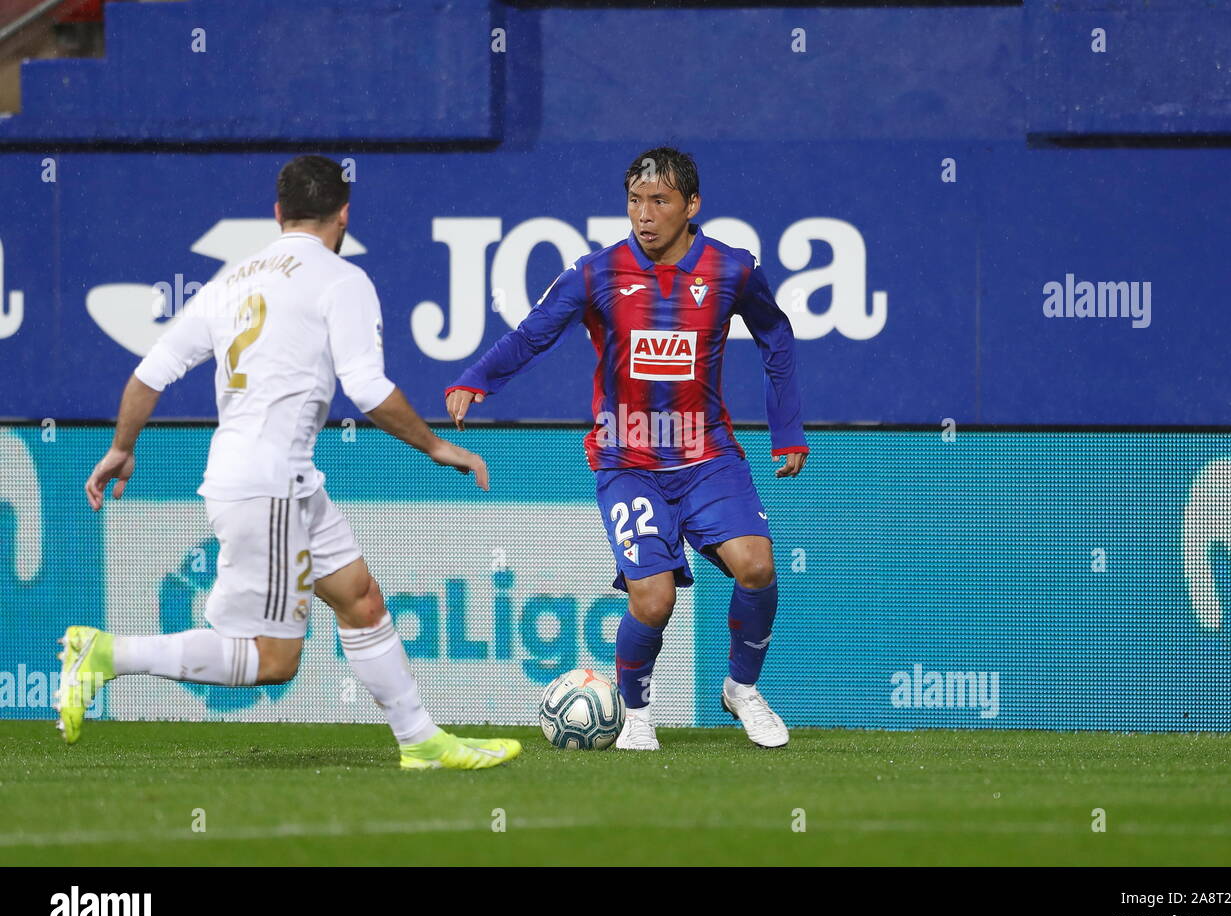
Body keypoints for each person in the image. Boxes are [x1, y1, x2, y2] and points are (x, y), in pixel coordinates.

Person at [58, 155, 521, 771]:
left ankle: (422, 742)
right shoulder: (340, 279)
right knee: (274, 661)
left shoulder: (231, 279)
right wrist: (439, 446)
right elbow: (367, 388)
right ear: (344, 214)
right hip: (268, 482)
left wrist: (121, 447)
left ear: (278, 213)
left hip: (280, 478)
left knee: (360, 598)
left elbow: (151, 372)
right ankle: (108, 655)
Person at [446, 146, 807, 750]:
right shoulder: (596, 272)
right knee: (654, 598)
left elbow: (776, 333)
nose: (644, 214)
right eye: (635, 201)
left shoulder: (732, 269)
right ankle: (635, 712)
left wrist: (786, 427)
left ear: (691, 206)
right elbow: (534, 332)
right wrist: (476, 378)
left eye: (660, 201)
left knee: (759, 566)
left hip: (708, 457)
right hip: (627, 462)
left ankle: (741, 690)